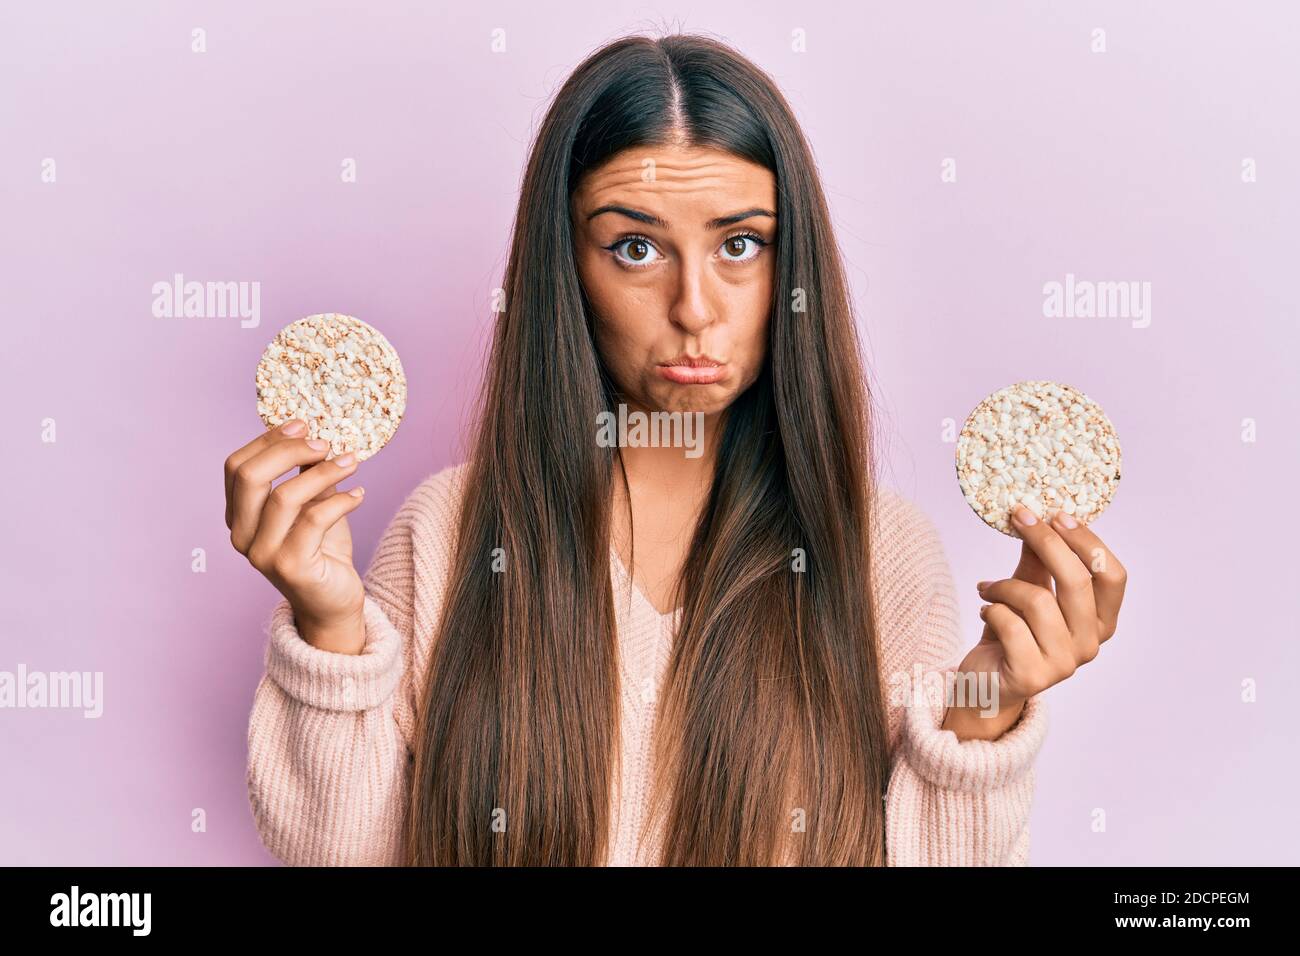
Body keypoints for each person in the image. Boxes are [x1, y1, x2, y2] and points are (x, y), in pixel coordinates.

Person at [227, 33, 1127, 866]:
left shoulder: (875, 548)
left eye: (740, 245)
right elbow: (339, 851)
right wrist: (329, 628)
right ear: (564, 269)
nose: (695, 307)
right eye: (634, 248)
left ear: (792, 266)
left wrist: (990, 696)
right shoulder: (452, 529)